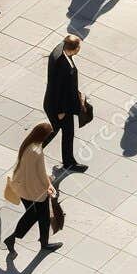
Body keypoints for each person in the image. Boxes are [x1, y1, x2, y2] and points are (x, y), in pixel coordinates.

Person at [4, 122, 59, 254]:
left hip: (23, 188)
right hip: (36, 190)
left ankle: (13, 238)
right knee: (43, 216)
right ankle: (44, 244)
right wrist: (49, 186)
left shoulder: (27, 144)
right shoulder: (37, 151)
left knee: (32, 214)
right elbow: (41, 173)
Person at [44, 34, 88, 172]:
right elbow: (59, 89)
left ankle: (68, 161)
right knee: (62, 131)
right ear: (74, 49)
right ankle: (32, 151)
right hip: (60, 107)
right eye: (78, 46)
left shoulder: (60, 50)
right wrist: (61, 111)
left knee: (59, 131)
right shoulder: (64, 67)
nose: (80, 48)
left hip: (55, 103)